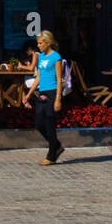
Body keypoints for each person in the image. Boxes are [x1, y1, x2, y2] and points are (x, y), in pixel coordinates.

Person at [25, 30, 64, 165]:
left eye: (41, 43)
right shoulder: (41, 57)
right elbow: (38, 77)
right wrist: (29, 94)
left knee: (49, 124)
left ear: (48, 43)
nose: (39, 46)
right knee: (39, 124)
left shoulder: (56, 57)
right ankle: (57, 145)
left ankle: (51, 156)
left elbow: (59, 79)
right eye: (38, 43)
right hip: (42, 93)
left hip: (53, 93)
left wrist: (58, 98)